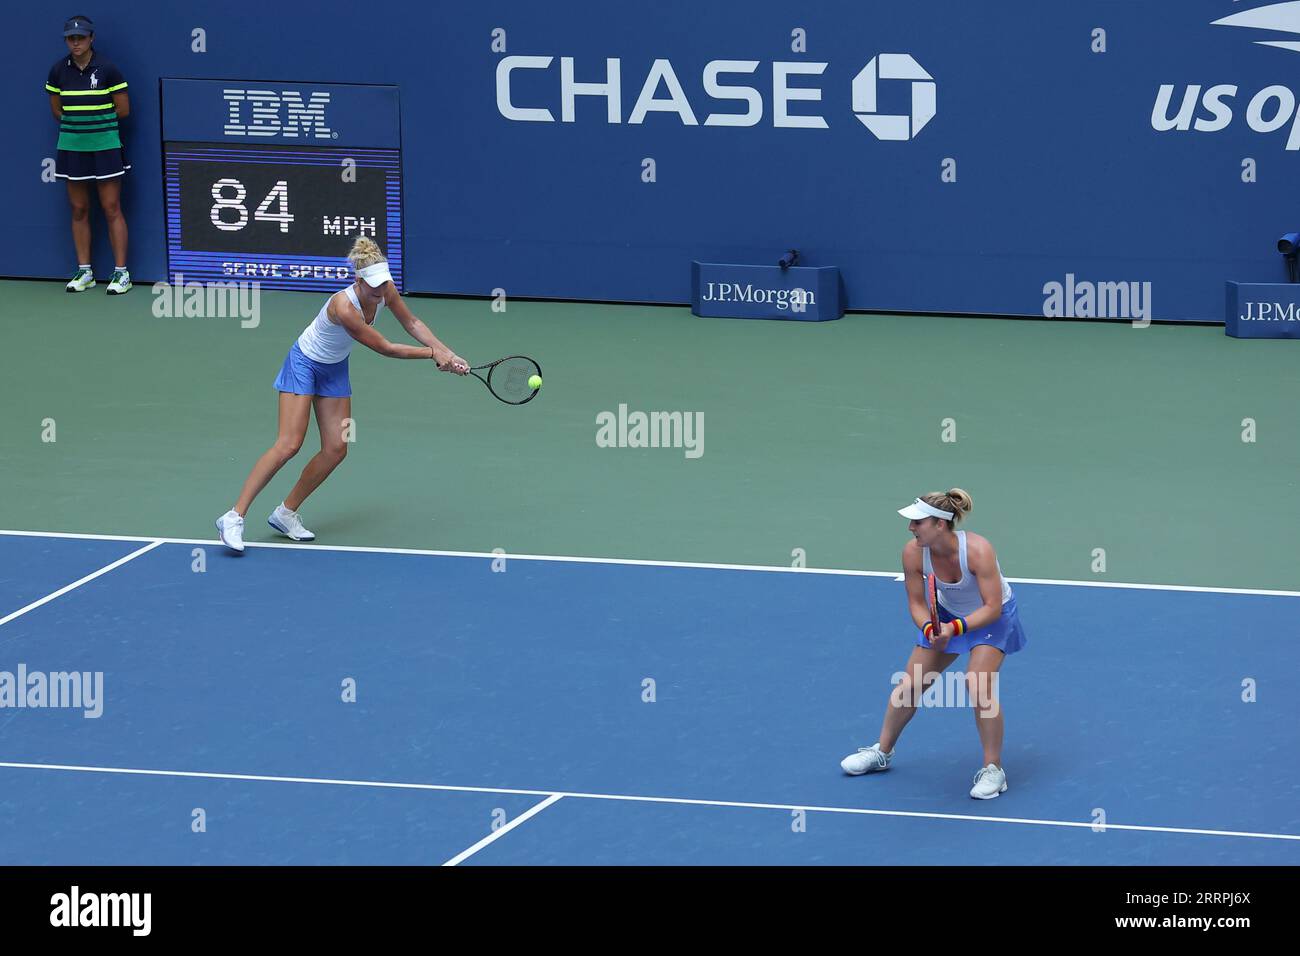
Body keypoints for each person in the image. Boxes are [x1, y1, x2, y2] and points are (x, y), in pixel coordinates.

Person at [214, 238, 469, 553]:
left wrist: (448, 353)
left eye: (383, 286)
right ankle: (233, 517)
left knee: (336, 448)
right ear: (358, 281)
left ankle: (285, 513)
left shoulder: (386, 290)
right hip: (304, 364)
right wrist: (432, 354)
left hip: (334, 369)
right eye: (372, 287)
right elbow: (385, 348)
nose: (379, 293)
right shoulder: (343, 306)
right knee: (289, 444)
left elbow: (412, 322)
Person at [840, 489, 1028, 798]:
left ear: (940, 524)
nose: (911, 528)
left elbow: (992, 606)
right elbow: (916, 603)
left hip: (992, 618)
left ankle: (994, 770)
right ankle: (881, 752)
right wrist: (930, 627)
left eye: (918, 522)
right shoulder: (913, 552)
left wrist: (954, 629)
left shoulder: (979, 550)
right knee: (909, 685)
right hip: (946, 615)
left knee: (978, 685)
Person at [46, 15, 132, 294]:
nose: (76, 42)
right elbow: (57, 110)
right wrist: (79, 127)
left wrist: (96, 125)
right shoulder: (58, 71)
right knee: (79, 209)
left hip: (105, 146)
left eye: (81, 37)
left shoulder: (108, 69)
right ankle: (85, 272)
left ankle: (121, 274)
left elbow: (123, 109)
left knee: (111, 208)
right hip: (73, 148)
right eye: (71, 38)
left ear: (91, 38)